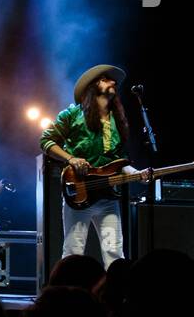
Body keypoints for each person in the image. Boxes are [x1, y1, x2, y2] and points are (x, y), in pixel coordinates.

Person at [39, 65, 147, 268]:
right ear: (94, 85)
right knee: (73, 250)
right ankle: (69, 293)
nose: (113, 82)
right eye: (106, 79)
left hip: (107, 197)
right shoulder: (73, 114)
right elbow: (46, 141)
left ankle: (115, 295)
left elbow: (119, 160)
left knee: (114, 252)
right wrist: (71, 159)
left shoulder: (117, 121)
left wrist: (136, 173)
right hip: (80, 193)